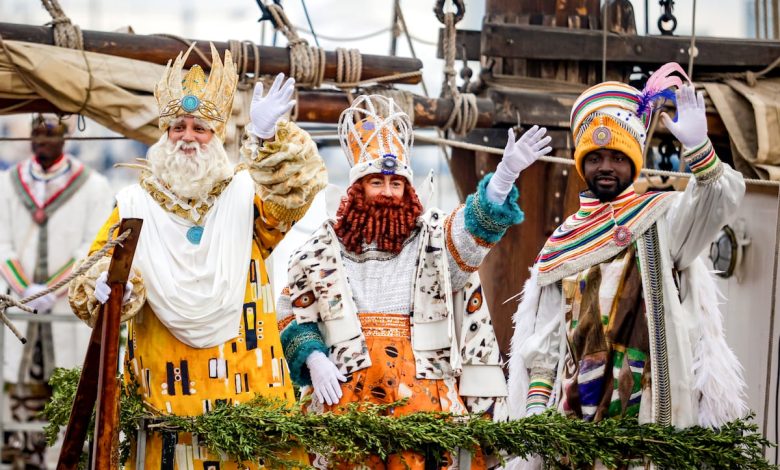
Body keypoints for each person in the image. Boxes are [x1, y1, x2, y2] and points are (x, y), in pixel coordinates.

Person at [67, 44, 326, 468]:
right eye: (179, 127)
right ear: (165, 134)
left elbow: (292, 198)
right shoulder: (133, 203)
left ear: (218, 134)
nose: (188, 137)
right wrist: (105, 285)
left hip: (249, 391)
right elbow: (91, 276)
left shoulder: (246, 194)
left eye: (201, 128)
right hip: (164, 399)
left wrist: (265, 138)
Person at [277, 94, 551, 469]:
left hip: (424, 399)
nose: (387, 192)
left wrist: (502, 180)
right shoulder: (319, 250)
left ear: (408, 191)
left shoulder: (432, 239)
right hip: (345, 399)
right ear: (358, 189)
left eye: (396, 183)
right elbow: (291, 314)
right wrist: (313, 357)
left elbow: (470, 238)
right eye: (377, 181)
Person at [506, 63, 747, 468]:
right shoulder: (561, 242)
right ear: (582, 165)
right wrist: (534, 412)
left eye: (617, 157)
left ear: (633, 164)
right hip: (573, 419)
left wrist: (701, 150)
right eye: (596, 157)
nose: (605, 167)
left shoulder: (660, 220)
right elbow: (545, 341)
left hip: (648, 411)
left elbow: (716, 203)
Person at [0, 114, 112, 468]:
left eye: (51, 133)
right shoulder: (8, 183)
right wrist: (27, 290)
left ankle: (62, 460)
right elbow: (2, 243)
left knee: (69, 390)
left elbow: (90, 248)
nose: (43, 139)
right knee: (19, 395)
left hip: (66, 311)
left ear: (66, 137)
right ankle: (22, 457)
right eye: (37, 133)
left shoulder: (94, 186)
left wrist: (53, 290)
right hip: (21, 308)